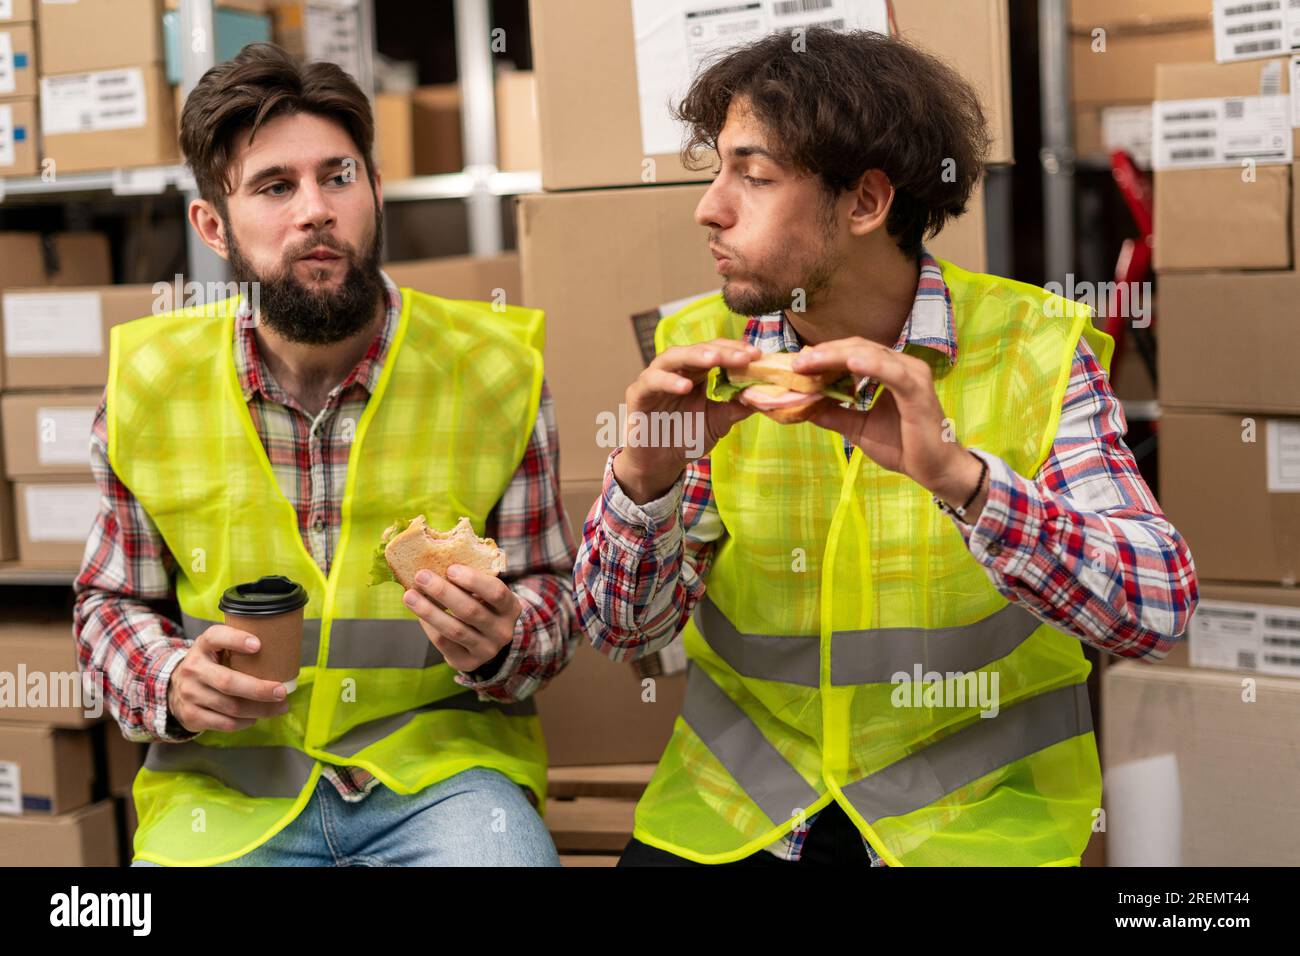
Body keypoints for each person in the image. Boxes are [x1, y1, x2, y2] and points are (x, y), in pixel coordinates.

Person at [574, 28, 1198, 867]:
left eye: (753, 177)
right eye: (716, 170)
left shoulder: (1035, 346)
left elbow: (1158, 609)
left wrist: (967, 483)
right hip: (738, 813)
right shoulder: (698, 351)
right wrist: (643, 479)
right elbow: (621, 634)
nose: (709, 206)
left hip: (972, 822)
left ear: (866, 203)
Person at [73, 43, 579, 867]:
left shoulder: (495, 370)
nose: (315, 209)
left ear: (375, 190)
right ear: (212, 225)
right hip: (225, 788)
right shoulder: (150, 385)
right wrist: (166, 680)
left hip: (441, 781)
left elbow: (552, 597)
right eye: (276, 187)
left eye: (338, 177)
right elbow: (107, 605)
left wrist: (507, 638)